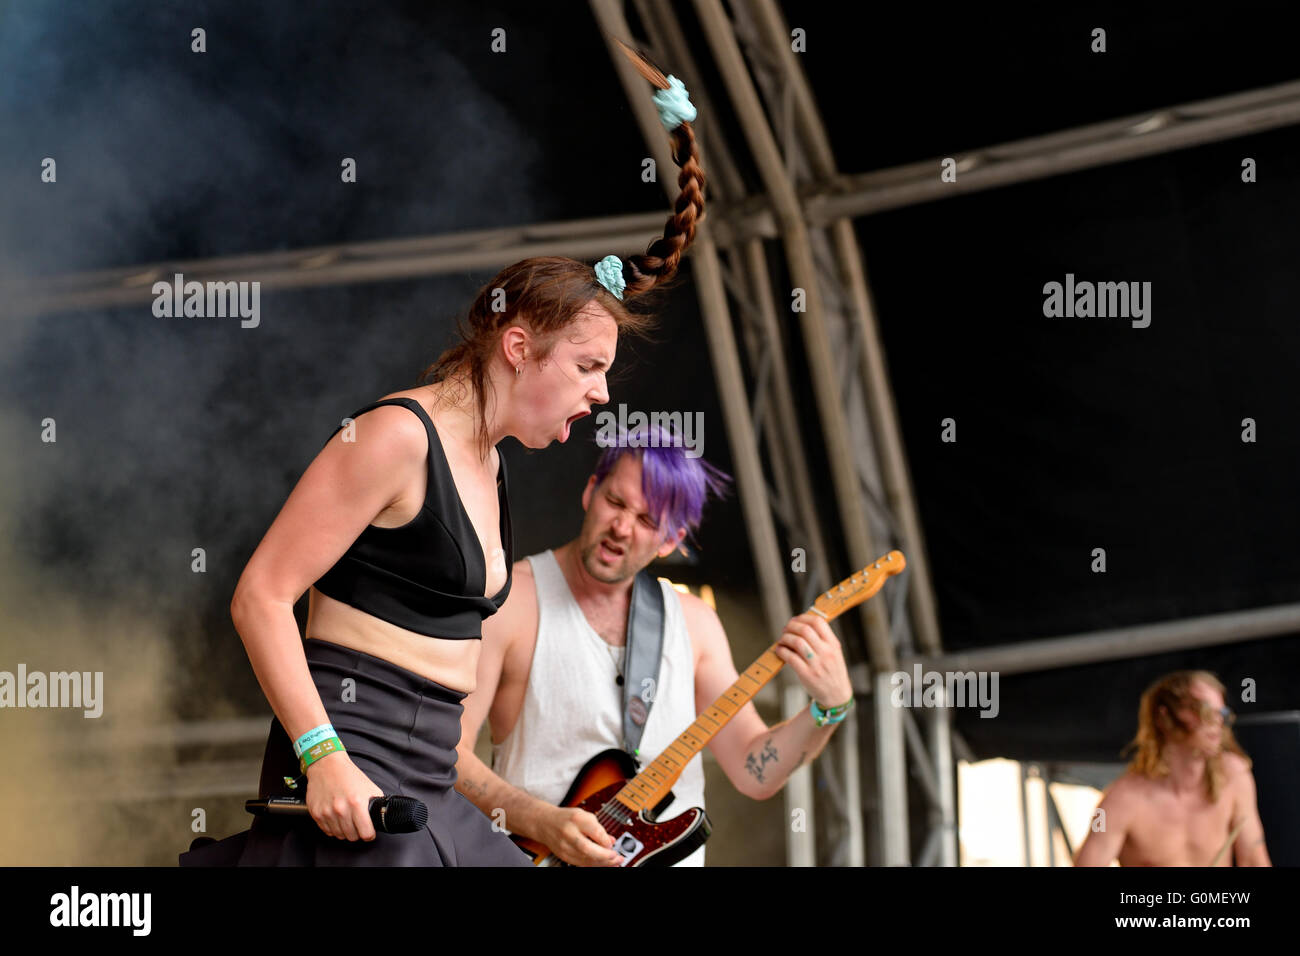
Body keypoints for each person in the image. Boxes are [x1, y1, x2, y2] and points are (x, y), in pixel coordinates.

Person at [179, 44, 707, 865]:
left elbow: (447, 748)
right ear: (520, 345)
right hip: (356, 791)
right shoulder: (394, 437)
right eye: (587, 367)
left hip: (430, 795)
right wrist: (323, 759)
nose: (600, 395)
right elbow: (260, 596)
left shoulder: (492, 466)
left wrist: (537, 817)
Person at [453, 429, 858, 866]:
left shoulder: (696, 623)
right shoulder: (513, 603)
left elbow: (753, 770)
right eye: (616, 502)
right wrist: (541, 821)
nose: (622, 528)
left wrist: (829, 709)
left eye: (647, 521)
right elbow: (449, 753)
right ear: (591, 491)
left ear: (671, 539)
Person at [1073, 670, 1270, 867]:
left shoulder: (1234, 776)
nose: (1217, 721)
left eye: (1222, 713)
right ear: (1164, 717)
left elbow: (1254, 860)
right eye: (1203, 710)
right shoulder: (1121, 800)